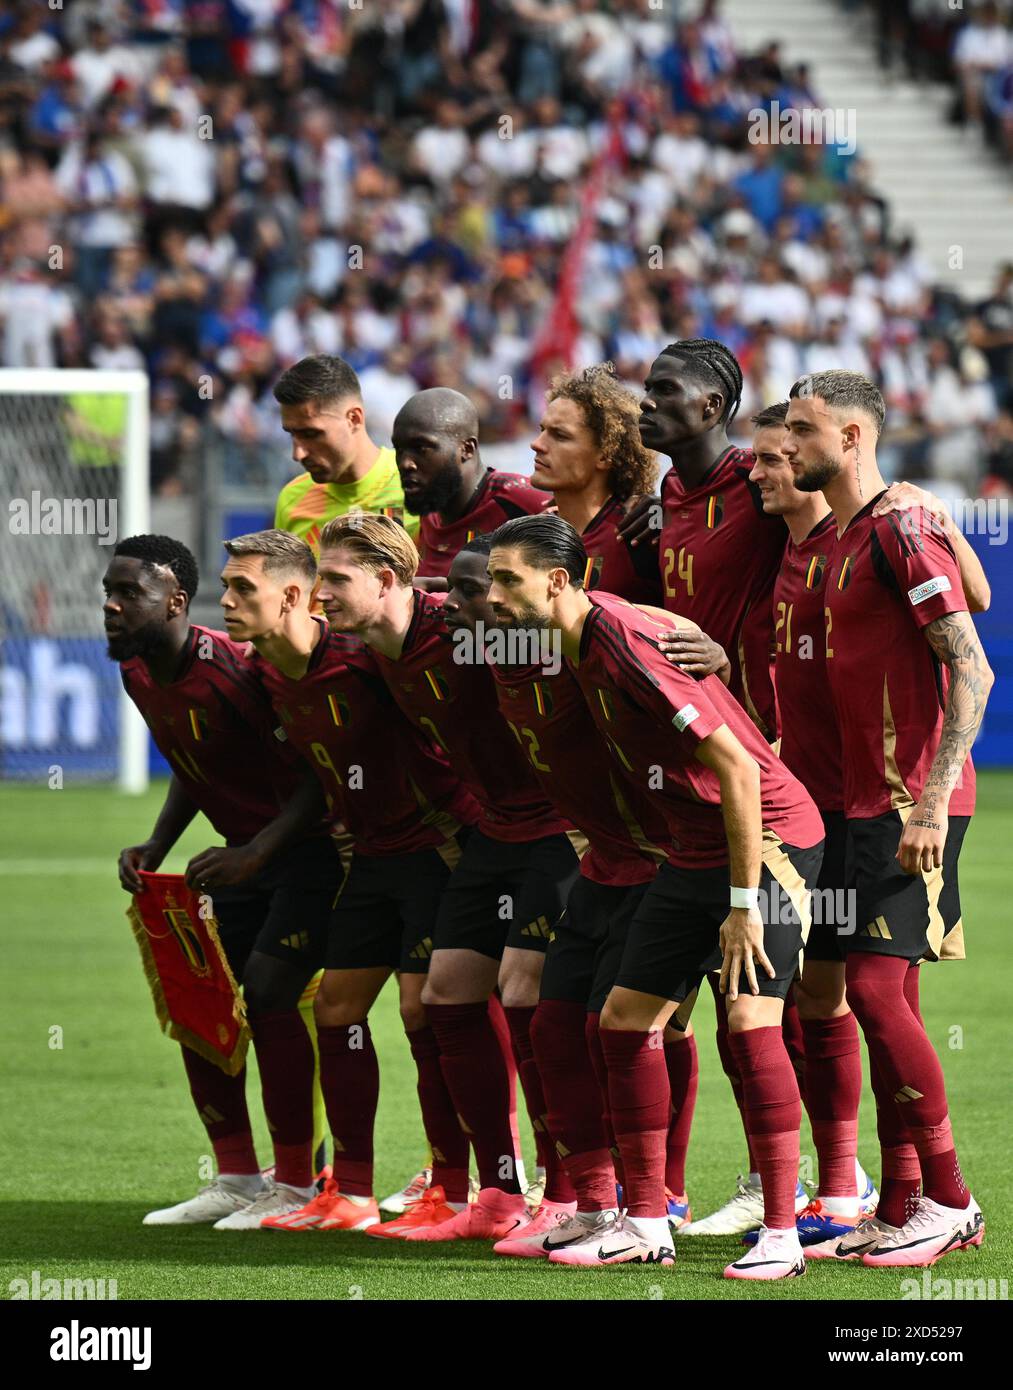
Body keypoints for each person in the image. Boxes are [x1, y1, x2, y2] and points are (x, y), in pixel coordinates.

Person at [486, 513, 825, 1279]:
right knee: (622, 1019)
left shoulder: (617, 645)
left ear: (559, 582)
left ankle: (780, 1230)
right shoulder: (581, 636)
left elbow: (737, 769)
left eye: (508, 581)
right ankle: (644, 1221)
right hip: (693, 850)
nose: (494, 597)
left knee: (748, 1020)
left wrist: (742, 906)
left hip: (767, 840)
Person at [317, 513, 582, 1241]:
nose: (320, 594)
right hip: (490, 832)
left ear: (384, 580)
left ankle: (567, 1196)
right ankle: (495, 1196)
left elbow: (585, 632)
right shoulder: (373, 652)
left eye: (335, 579)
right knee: (444, 998)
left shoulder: (471, 632)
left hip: (558, 828)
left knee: (528, 994)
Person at [783, 370, 992, 1267]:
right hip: (852, 805)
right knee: (879, 1001)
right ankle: (900, 1202)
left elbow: (972, 667)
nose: (787, 446)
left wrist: (933, 800)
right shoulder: (839, 536)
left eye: (802, 430)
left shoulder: (899, 528)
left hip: (910, 805)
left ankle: (949, 1199)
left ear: (854, 436)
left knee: (872, 992)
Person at [215, 528, 478, 1235]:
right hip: (367, 857)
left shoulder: (364, 659)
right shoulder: (265, 675)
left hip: (434, 850)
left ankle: (454, 1188)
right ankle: (352, 1191)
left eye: (243, 588)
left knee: (425, 1012)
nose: (227, 599)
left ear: (294, 595)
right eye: (227, 586)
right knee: (336, 1010)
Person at [105, 534, 338, 1229]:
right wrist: (158, 842)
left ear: (175, 601)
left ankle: (298, 1180)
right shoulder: (140, 671)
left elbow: (316, 776)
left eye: (129, 595)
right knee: (198, 1002)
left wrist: (259, 851)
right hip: (242, 857)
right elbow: (192, 758)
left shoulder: (236, 672)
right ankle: (235, 1175)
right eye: (107, 595)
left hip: (305, 856)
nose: (112, 607)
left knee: (268, 996)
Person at [529, 363, 662, 604]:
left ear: (605, 454)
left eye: (560, 436)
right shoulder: (534, 533)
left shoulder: (643, 533)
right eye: (542, 430)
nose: (537, 444)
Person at [392, 386, 553, 580]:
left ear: (467, 449)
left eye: (422, 448)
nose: (405, 463)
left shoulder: (524, 503)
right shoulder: (429, 511)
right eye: (399, 449)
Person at [273, 354, 419, 556]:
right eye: (292, 434)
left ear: (354, 419)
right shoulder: (292, 499)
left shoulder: (416, 485)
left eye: (311, 434)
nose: (298, 453)